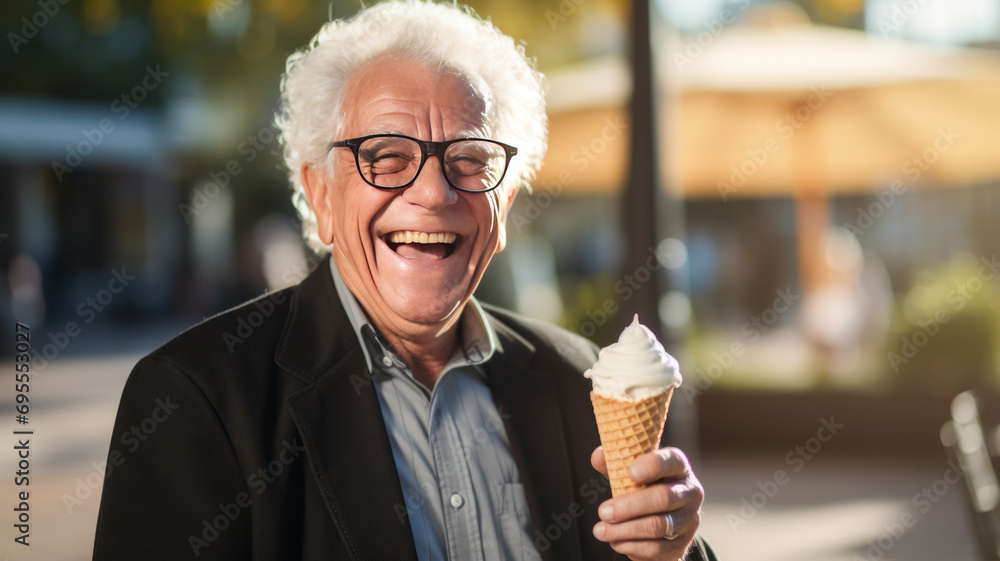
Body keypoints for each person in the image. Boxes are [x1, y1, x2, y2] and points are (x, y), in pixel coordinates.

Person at [93, 2, 714, 560]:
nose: (434, 191)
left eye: (470, 161)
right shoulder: (194, 400)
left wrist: (674, 550)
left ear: (506, 206)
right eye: (386, 157)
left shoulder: (578, 381)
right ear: (321, 196)